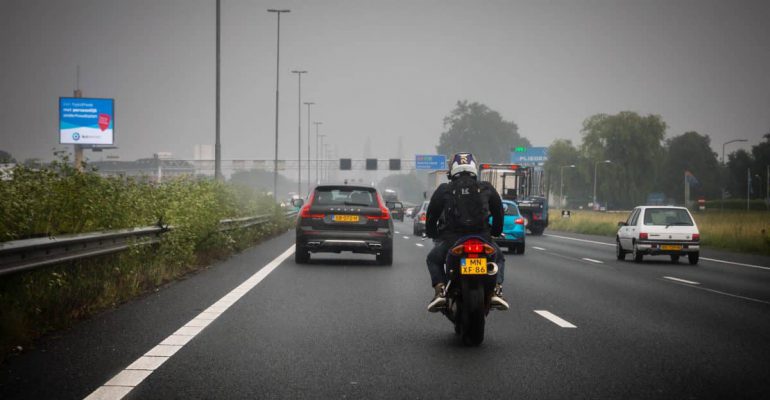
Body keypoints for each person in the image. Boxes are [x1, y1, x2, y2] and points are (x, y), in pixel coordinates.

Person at [425, 152, 509, 312]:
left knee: (433, 259)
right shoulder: (486, 187)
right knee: (499, 258)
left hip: (452, 240)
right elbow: (499, 213)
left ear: (452, 170)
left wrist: (432, 233)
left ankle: (440, 291)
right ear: (474, 168)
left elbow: (432, 215)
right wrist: (496, 232)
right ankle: (496, 289)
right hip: (482, 238)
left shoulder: (444, 189)